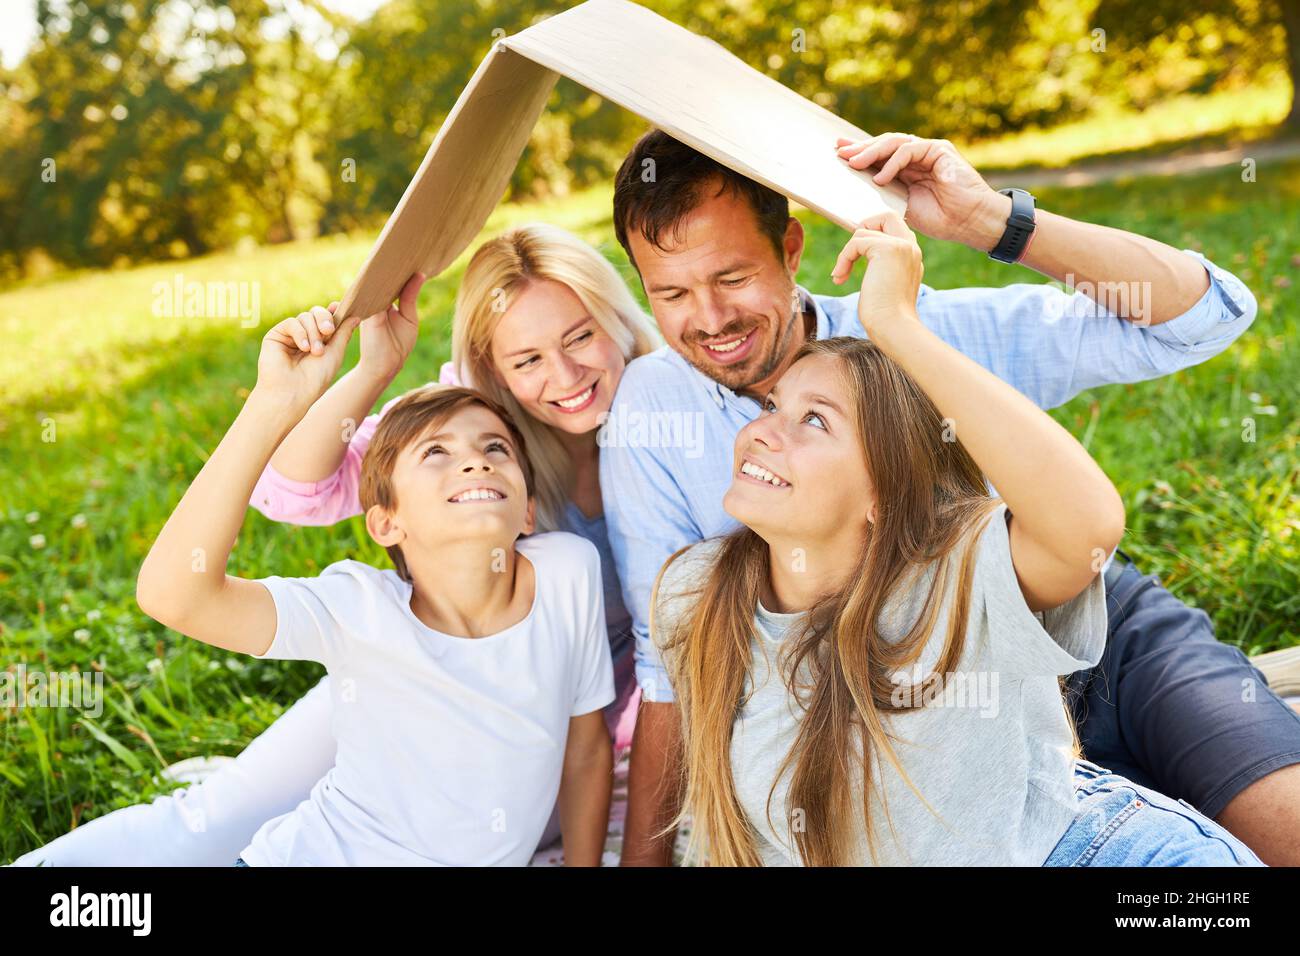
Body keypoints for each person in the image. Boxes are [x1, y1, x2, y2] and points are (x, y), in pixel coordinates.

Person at [603, 129, 1300, 866]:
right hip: (910, 712)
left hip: (1065, 618)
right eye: (672, 294)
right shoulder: (653, 412)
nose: (709, 319)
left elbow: (1204, 317)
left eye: (732, 277)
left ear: (791, 248)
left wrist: (993, 223)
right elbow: (674, 665)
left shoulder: (922, 327)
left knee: (1281, 830)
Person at [11, 223, 656, 866]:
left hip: (527, 718)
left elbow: (591, 746)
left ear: (618, 322)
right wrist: (369, 369)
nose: (565, 373)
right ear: (493, 370)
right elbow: (296, 487)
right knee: (216, 820)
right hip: (399, 672)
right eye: (528, 360)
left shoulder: (672, 428)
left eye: (581, 337)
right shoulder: (471, 427)